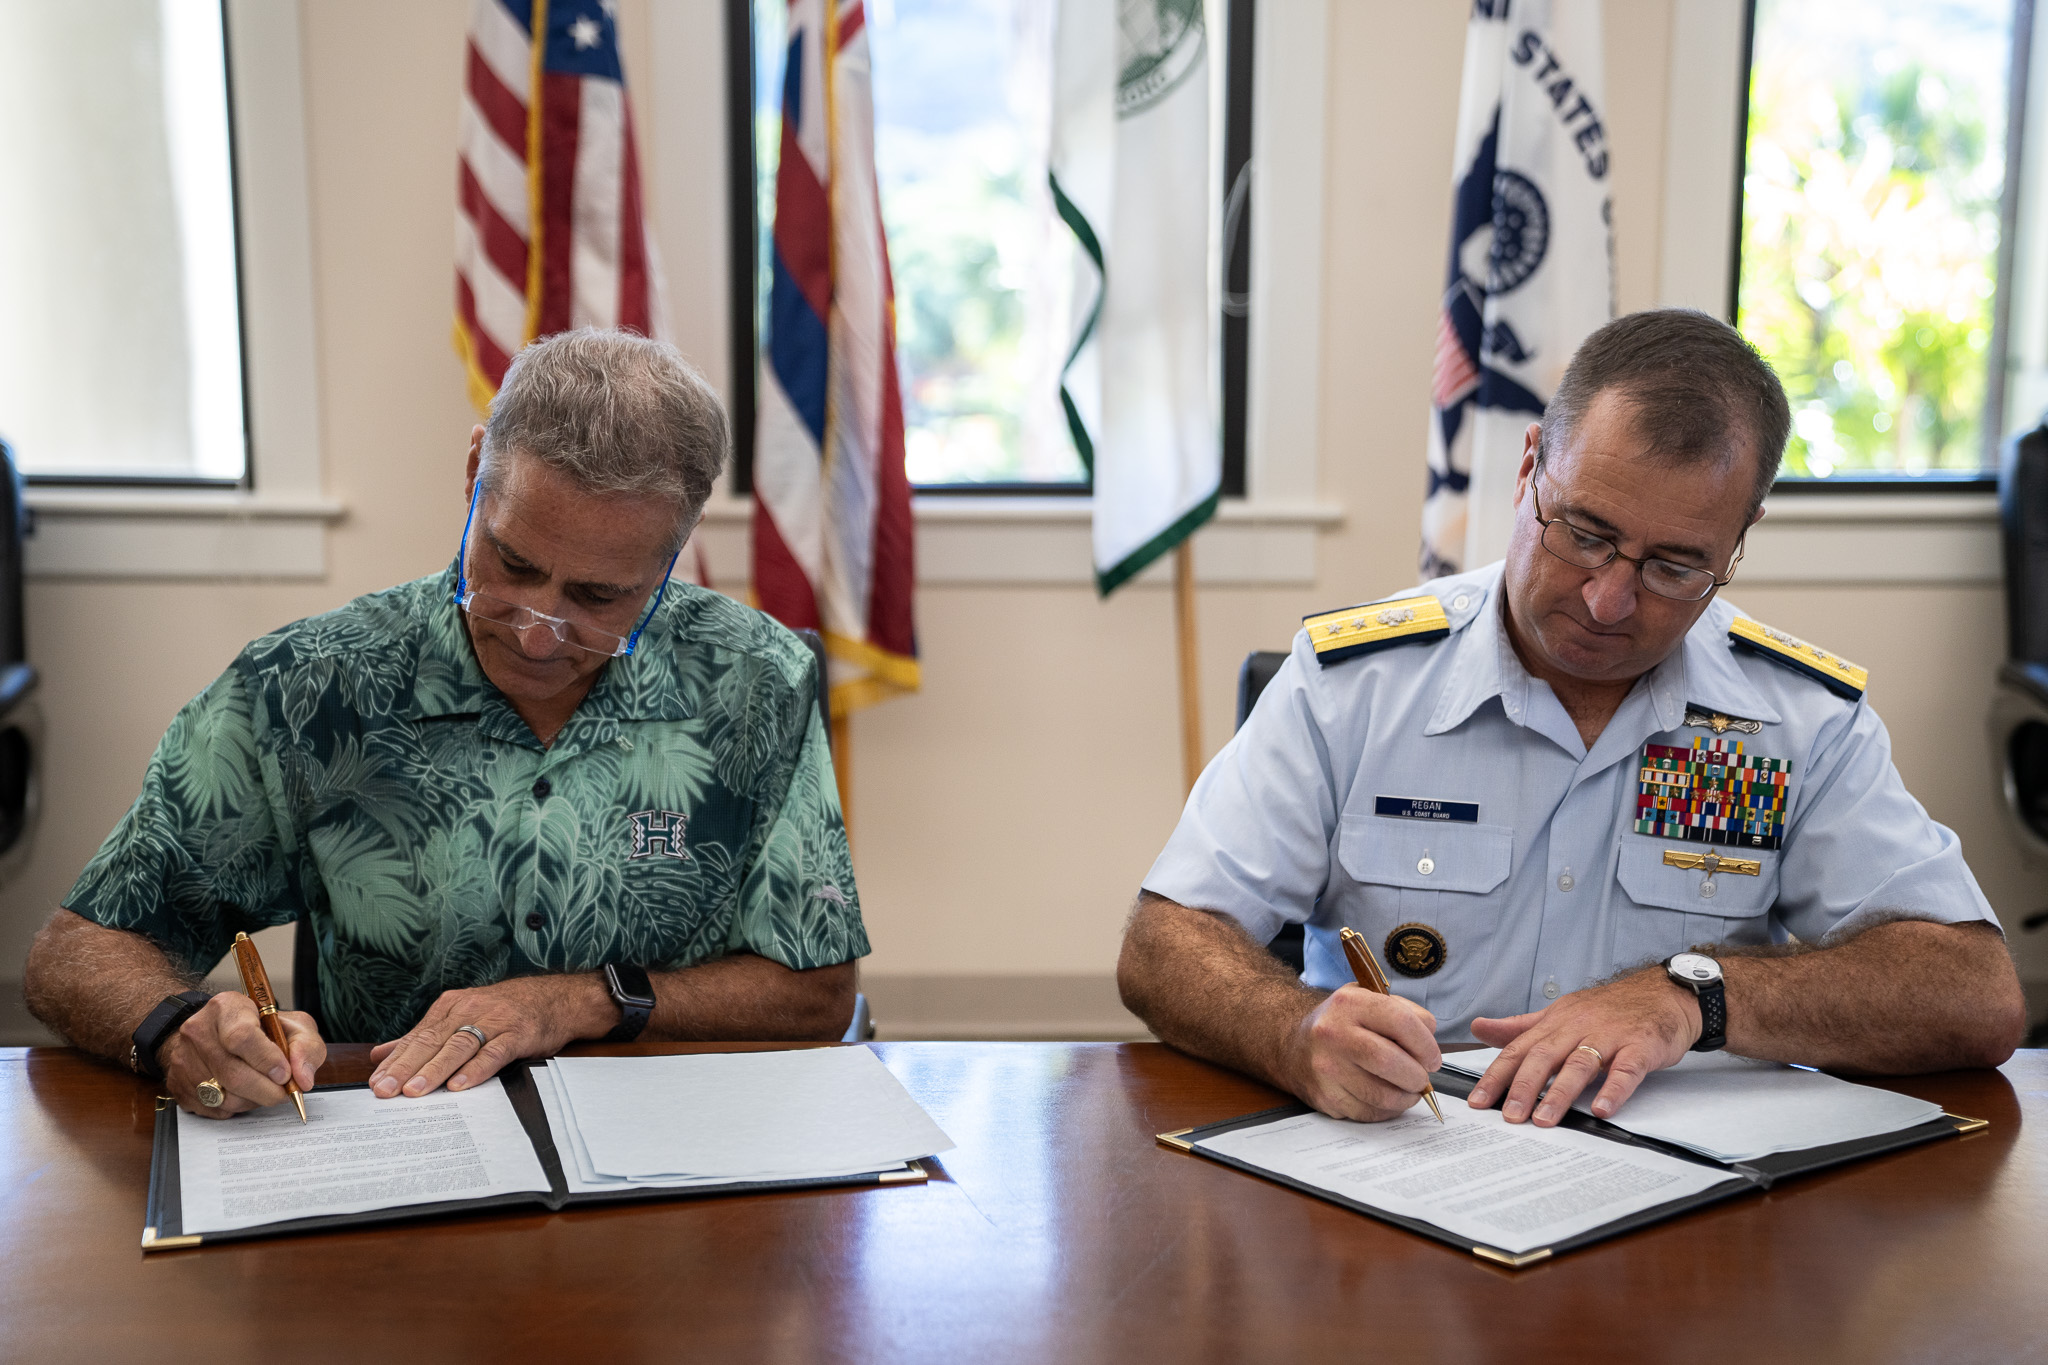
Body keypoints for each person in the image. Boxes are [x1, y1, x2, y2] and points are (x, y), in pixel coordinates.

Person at [1119, 308, 2026, 1129]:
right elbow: (1164, 942)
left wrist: (1695, 996)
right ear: (1528, 470)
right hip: (1404, 1168)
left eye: (1675, 566)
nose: (1607, 599)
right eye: (1584, 532)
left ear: (1737, 545)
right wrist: (1294, 1032)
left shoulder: (1795, 720)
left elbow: (1975, 994)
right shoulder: (1357, 683)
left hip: (1688, 1209)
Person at [24, 329, 867, 1118]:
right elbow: (76, 950)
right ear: (475, 472)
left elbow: (817, 991)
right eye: (514, 563)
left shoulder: (756, 681)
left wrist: (581, 1000)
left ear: (672, 553)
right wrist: (179, 1025)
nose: (538, 630)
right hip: (400, 1155)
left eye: (598, 597)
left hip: (679, 1155)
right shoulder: (308, 686)